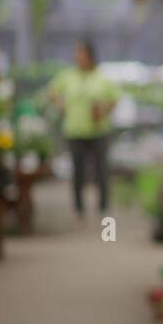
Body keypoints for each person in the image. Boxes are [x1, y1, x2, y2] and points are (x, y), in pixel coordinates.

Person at [47, 39, 120, 220]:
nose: (78, 57)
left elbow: (114, 98)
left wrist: (103, 112)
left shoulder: (101, 78)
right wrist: (60, 105)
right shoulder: (68, 76)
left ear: (90, 56)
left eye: (82, 54)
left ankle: (103, 207)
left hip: (99, 131)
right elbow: (52, 93)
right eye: (77, 54)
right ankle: (79, 208)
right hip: (75, 130)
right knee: (77, 171)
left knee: (101, 170)